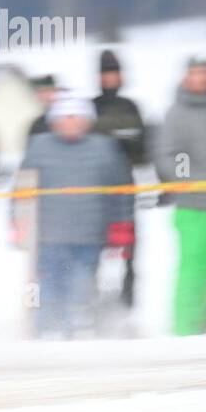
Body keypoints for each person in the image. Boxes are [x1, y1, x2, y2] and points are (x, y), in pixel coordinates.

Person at [18, 97, 132, 339]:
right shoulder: (39, 147)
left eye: (76, 117)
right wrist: (19, 222)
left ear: (87, 121)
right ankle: (47, 329)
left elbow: (120, 191)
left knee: (82, 283)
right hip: (49, 236)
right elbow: (22, 190)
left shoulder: (105, 148)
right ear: (54, 121)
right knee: (49, 285)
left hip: (90, 234)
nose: (71, 123)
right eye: (65, 117)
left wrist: (121, 225)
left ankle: (78, 329)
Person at [154, 57, 206, 335]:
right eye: (195, 74)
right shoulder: (178, 112)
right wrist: (189, 180)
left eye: (205, 74)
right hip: (195, 205)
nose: (201, 79)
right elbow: (170, 155)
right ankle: (186, 328)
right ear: (187, 77)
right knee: (194, 269)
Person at [92, 49, 147, 307]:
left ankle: (127, 303)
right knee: (96, 247)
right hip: (95, 191)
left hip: (125, 189)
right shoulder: (92, 108)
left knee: (130, 250)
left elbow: (142, 148)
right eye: (106, 73)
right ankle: (93, 303)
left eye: (114, 72)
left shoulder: (130, 107)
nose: (110, 78)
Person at [27, 75, 61, 139]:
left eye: (49, 91)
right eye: (41, 92)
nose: (45, 96)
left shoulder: (70, 117)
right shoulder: (38, 123)